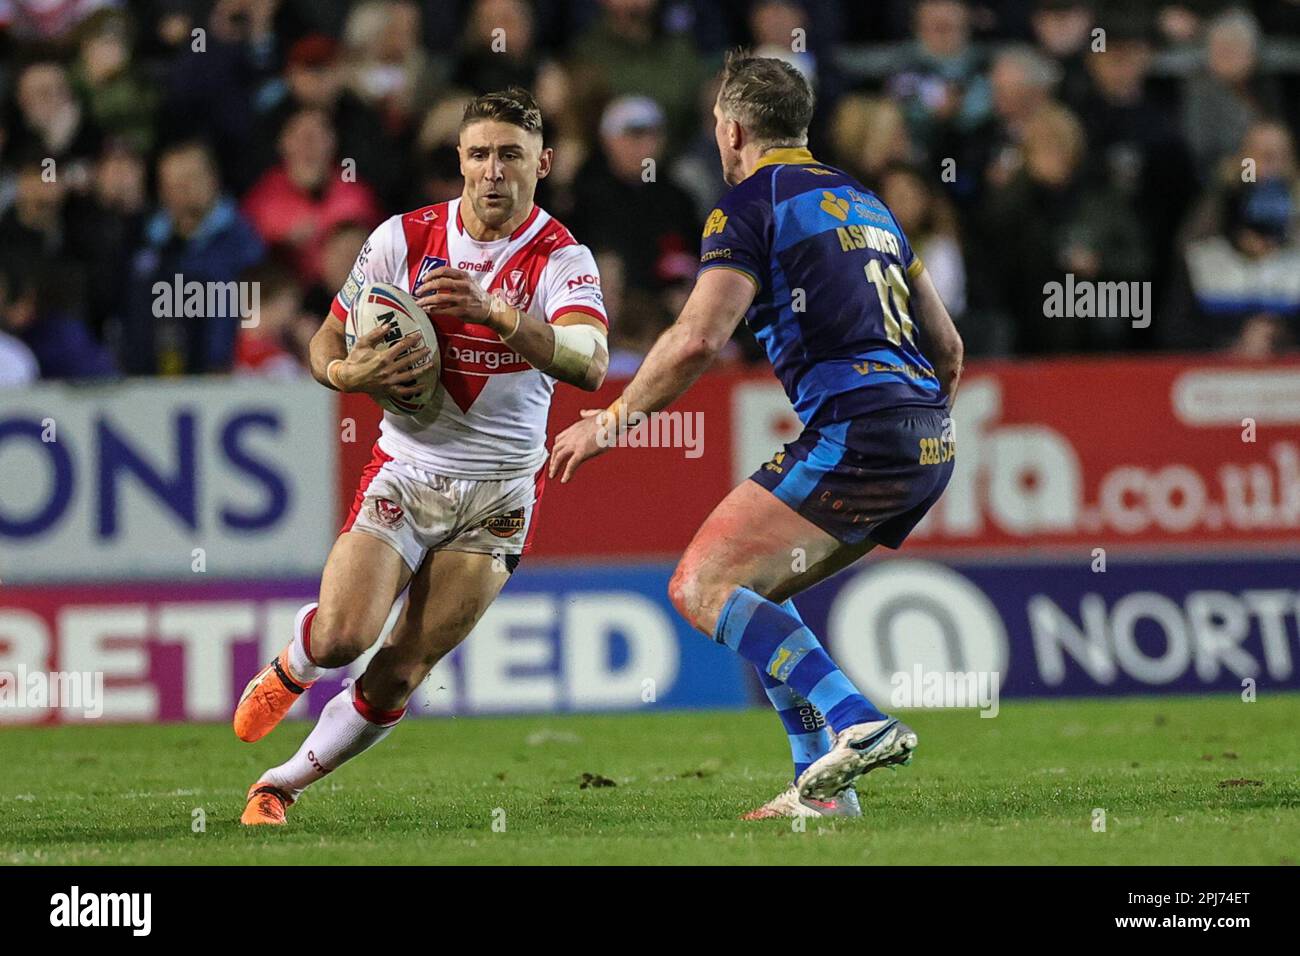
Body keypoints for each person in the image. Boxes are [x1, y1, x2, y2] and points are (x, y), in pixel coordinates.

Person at [550, 53, 964, 820]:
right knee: (758, 584)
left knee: (699, 585)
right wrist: (920, 426)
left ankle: (856, 720)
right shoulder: (869, 203)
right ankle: (821, 790)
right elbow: (949, 348)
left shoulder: (748, 203)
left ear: (732, 127)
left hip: (858, 428)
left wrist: (612, 420)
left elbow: (699, 339)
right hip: (927, 434)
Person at [234, 86, 610, 826]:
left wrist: (496, 311)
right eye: (478, 155)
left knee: (400, 670)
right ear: (460, 161)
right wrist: (347, 375)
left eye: (511, 155)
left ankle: (278, 786)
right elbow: (327, 341)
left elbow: (590, 363)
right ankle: (295, 666)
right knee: (345, 635)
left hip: (500, 496)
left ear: (546, 162)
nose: (493, 172)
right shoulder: (402, 239)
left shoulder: (563, 257)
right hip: (407, 473)